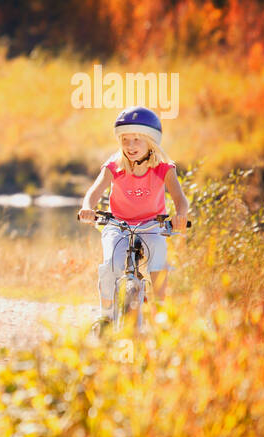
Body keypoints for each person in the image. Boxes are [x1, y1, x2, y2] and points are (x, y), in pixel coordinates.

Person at [77, 107, 189, 331]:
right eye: (125, 139)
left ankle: (159, 315)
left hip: (151, 224)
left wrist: (180, 216)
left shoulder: (164, 168)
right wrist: (87, 208)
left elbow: (180, 198)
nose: (130, 145)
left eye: (137, 139)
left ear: (151, 142)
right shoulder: (115, 166)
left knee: (158, 254)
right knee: (111, 264)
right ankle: (106, 315)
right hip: (117, 224)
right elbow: (95, 191)